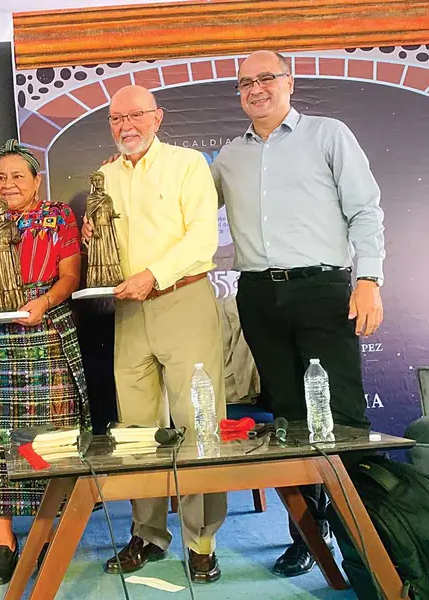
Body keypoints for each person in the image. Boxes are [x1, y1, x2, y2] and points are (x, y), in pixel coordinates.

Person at [211, 50, 385, 577]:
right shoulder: (228, 157)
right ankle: (310, 536)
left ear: (290, 82)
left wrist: (369, 279)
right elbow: (186, 211)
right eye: (245, 82)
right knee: (288, 420)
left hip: (323, 290)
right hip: (257, 296)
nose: (255, 89)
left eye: (266, 78)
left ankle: (369, 544)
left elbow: (365, 209)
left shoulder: (328, 134)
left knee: (343, 419)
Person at [84, 85, 227, 582]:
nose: (126, 125)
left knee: (197, 422)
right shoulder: (103, 176)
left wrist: (154, 275)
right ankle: (147, 534)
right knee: (137, 428)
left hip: (182, 298)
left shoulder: (188, 165)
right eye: (116, 118)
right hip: (128, 310)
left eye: (136, 115)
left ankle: (201, 541)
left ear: (157, 117)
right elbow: (103, 247)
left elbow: (203, 238)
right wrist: (92, 240)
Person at [0, 139, 91, 585]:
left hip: (44, 329)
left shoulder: (58, 216)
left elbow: (70, 275)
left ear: (36, 180)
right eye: (1, 177)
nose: (8, 184)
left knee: (48, 436)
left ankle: (48, 533)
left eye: (17, 176)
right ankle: (4, 539)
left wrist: (44, 302)